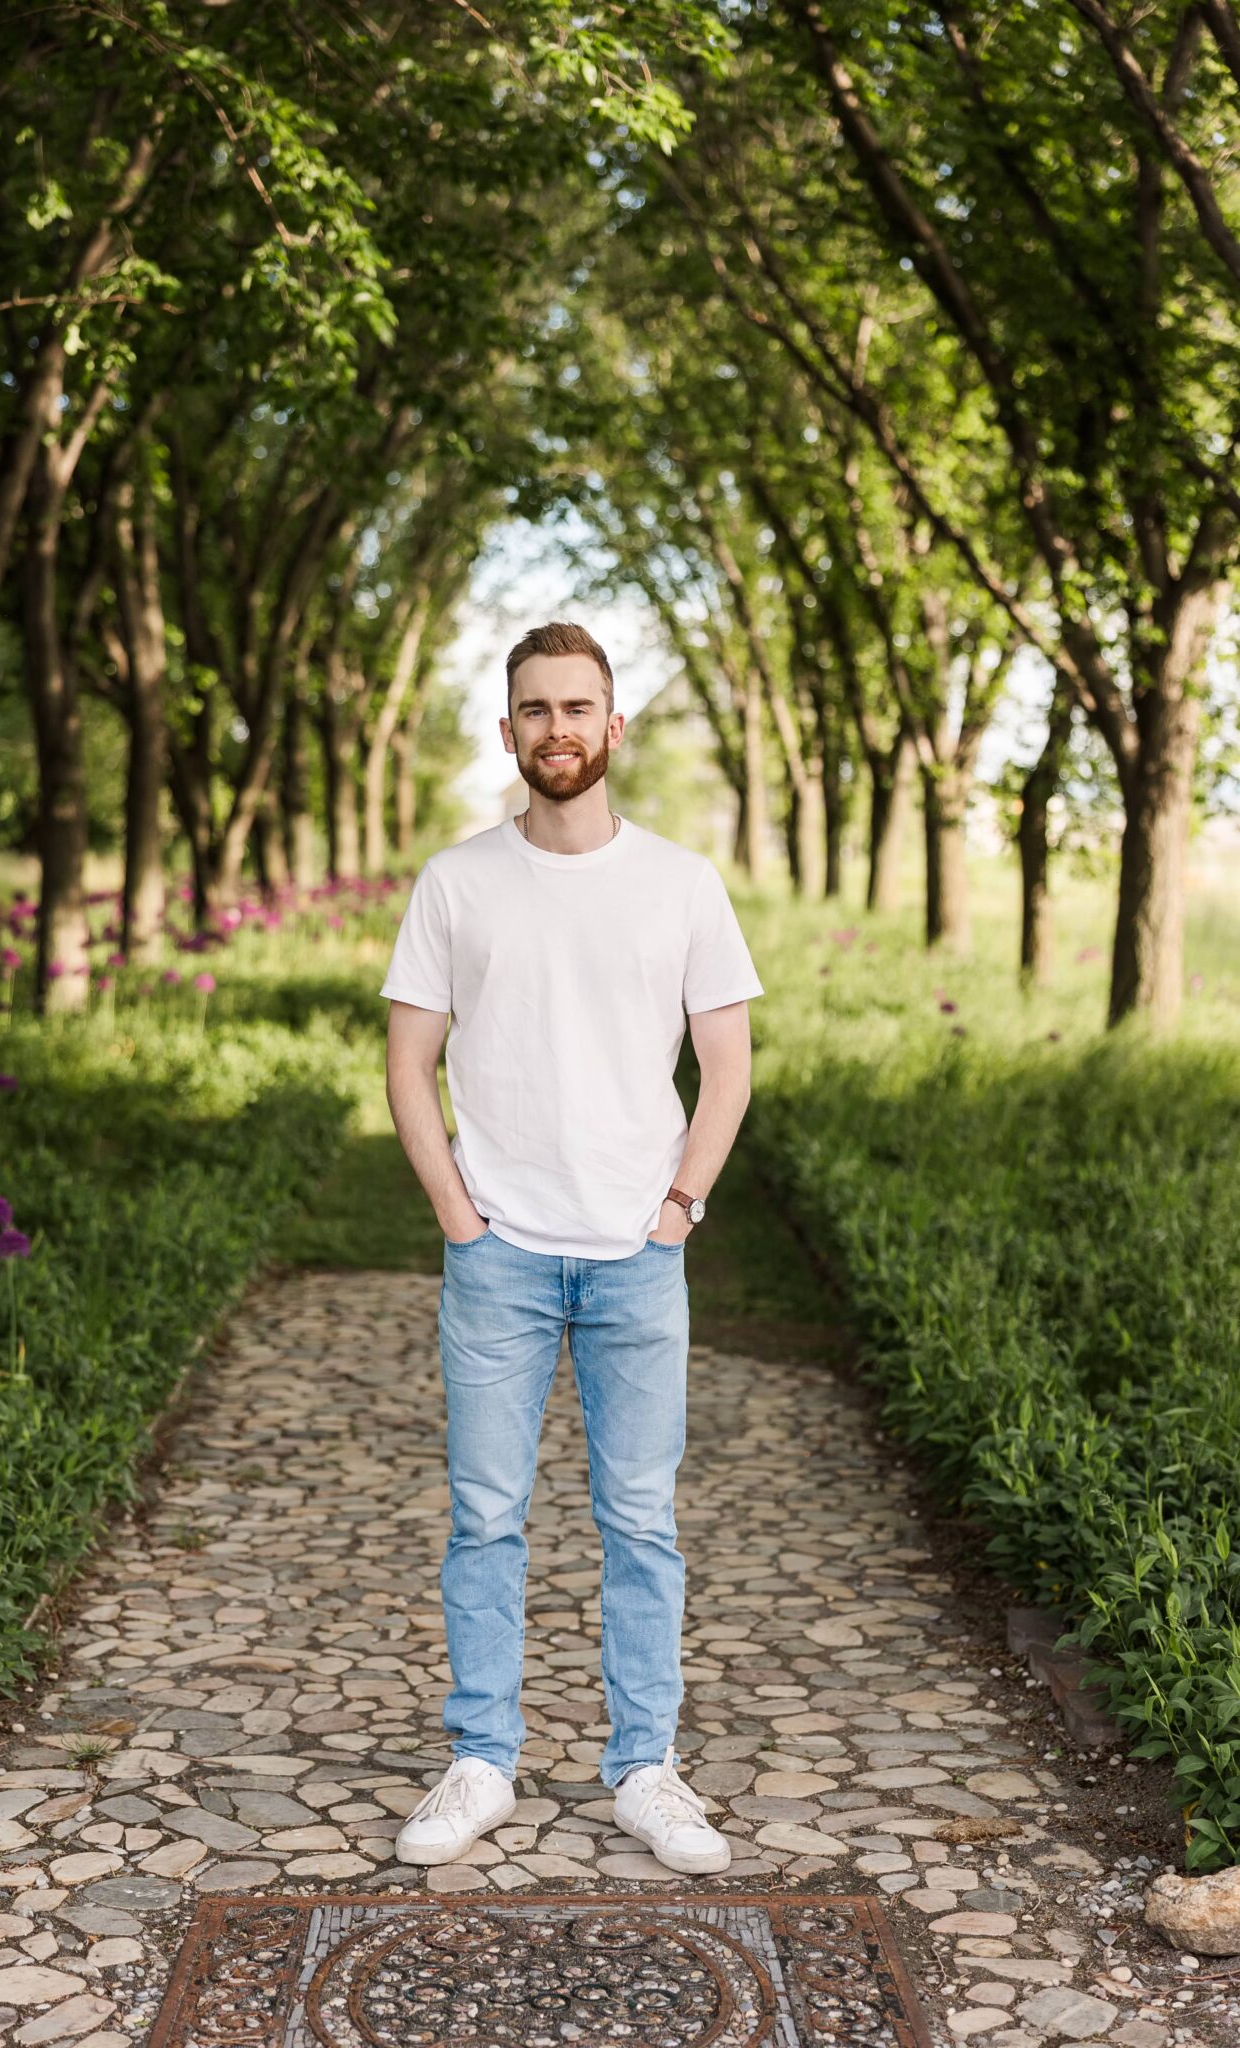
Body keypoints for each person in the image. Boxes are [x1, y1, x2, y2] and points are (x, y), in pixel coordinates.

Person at [379, 620, 765, 1876]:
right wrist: (455, 1211)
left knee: (640, 1522)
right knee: (487, 1518)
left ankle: (645, 1766)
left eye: (580, 706)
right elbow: (407, 1057)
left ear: (615, 727)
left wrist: (678, 1209)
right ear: (509, 731)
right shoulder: (456, 881)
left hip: (637, 1257)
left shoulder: (682, 882)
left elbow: (729, 1062)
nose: (558, 727)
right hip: (496, 1252)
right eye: (536, 707)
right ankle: (481, 1757)